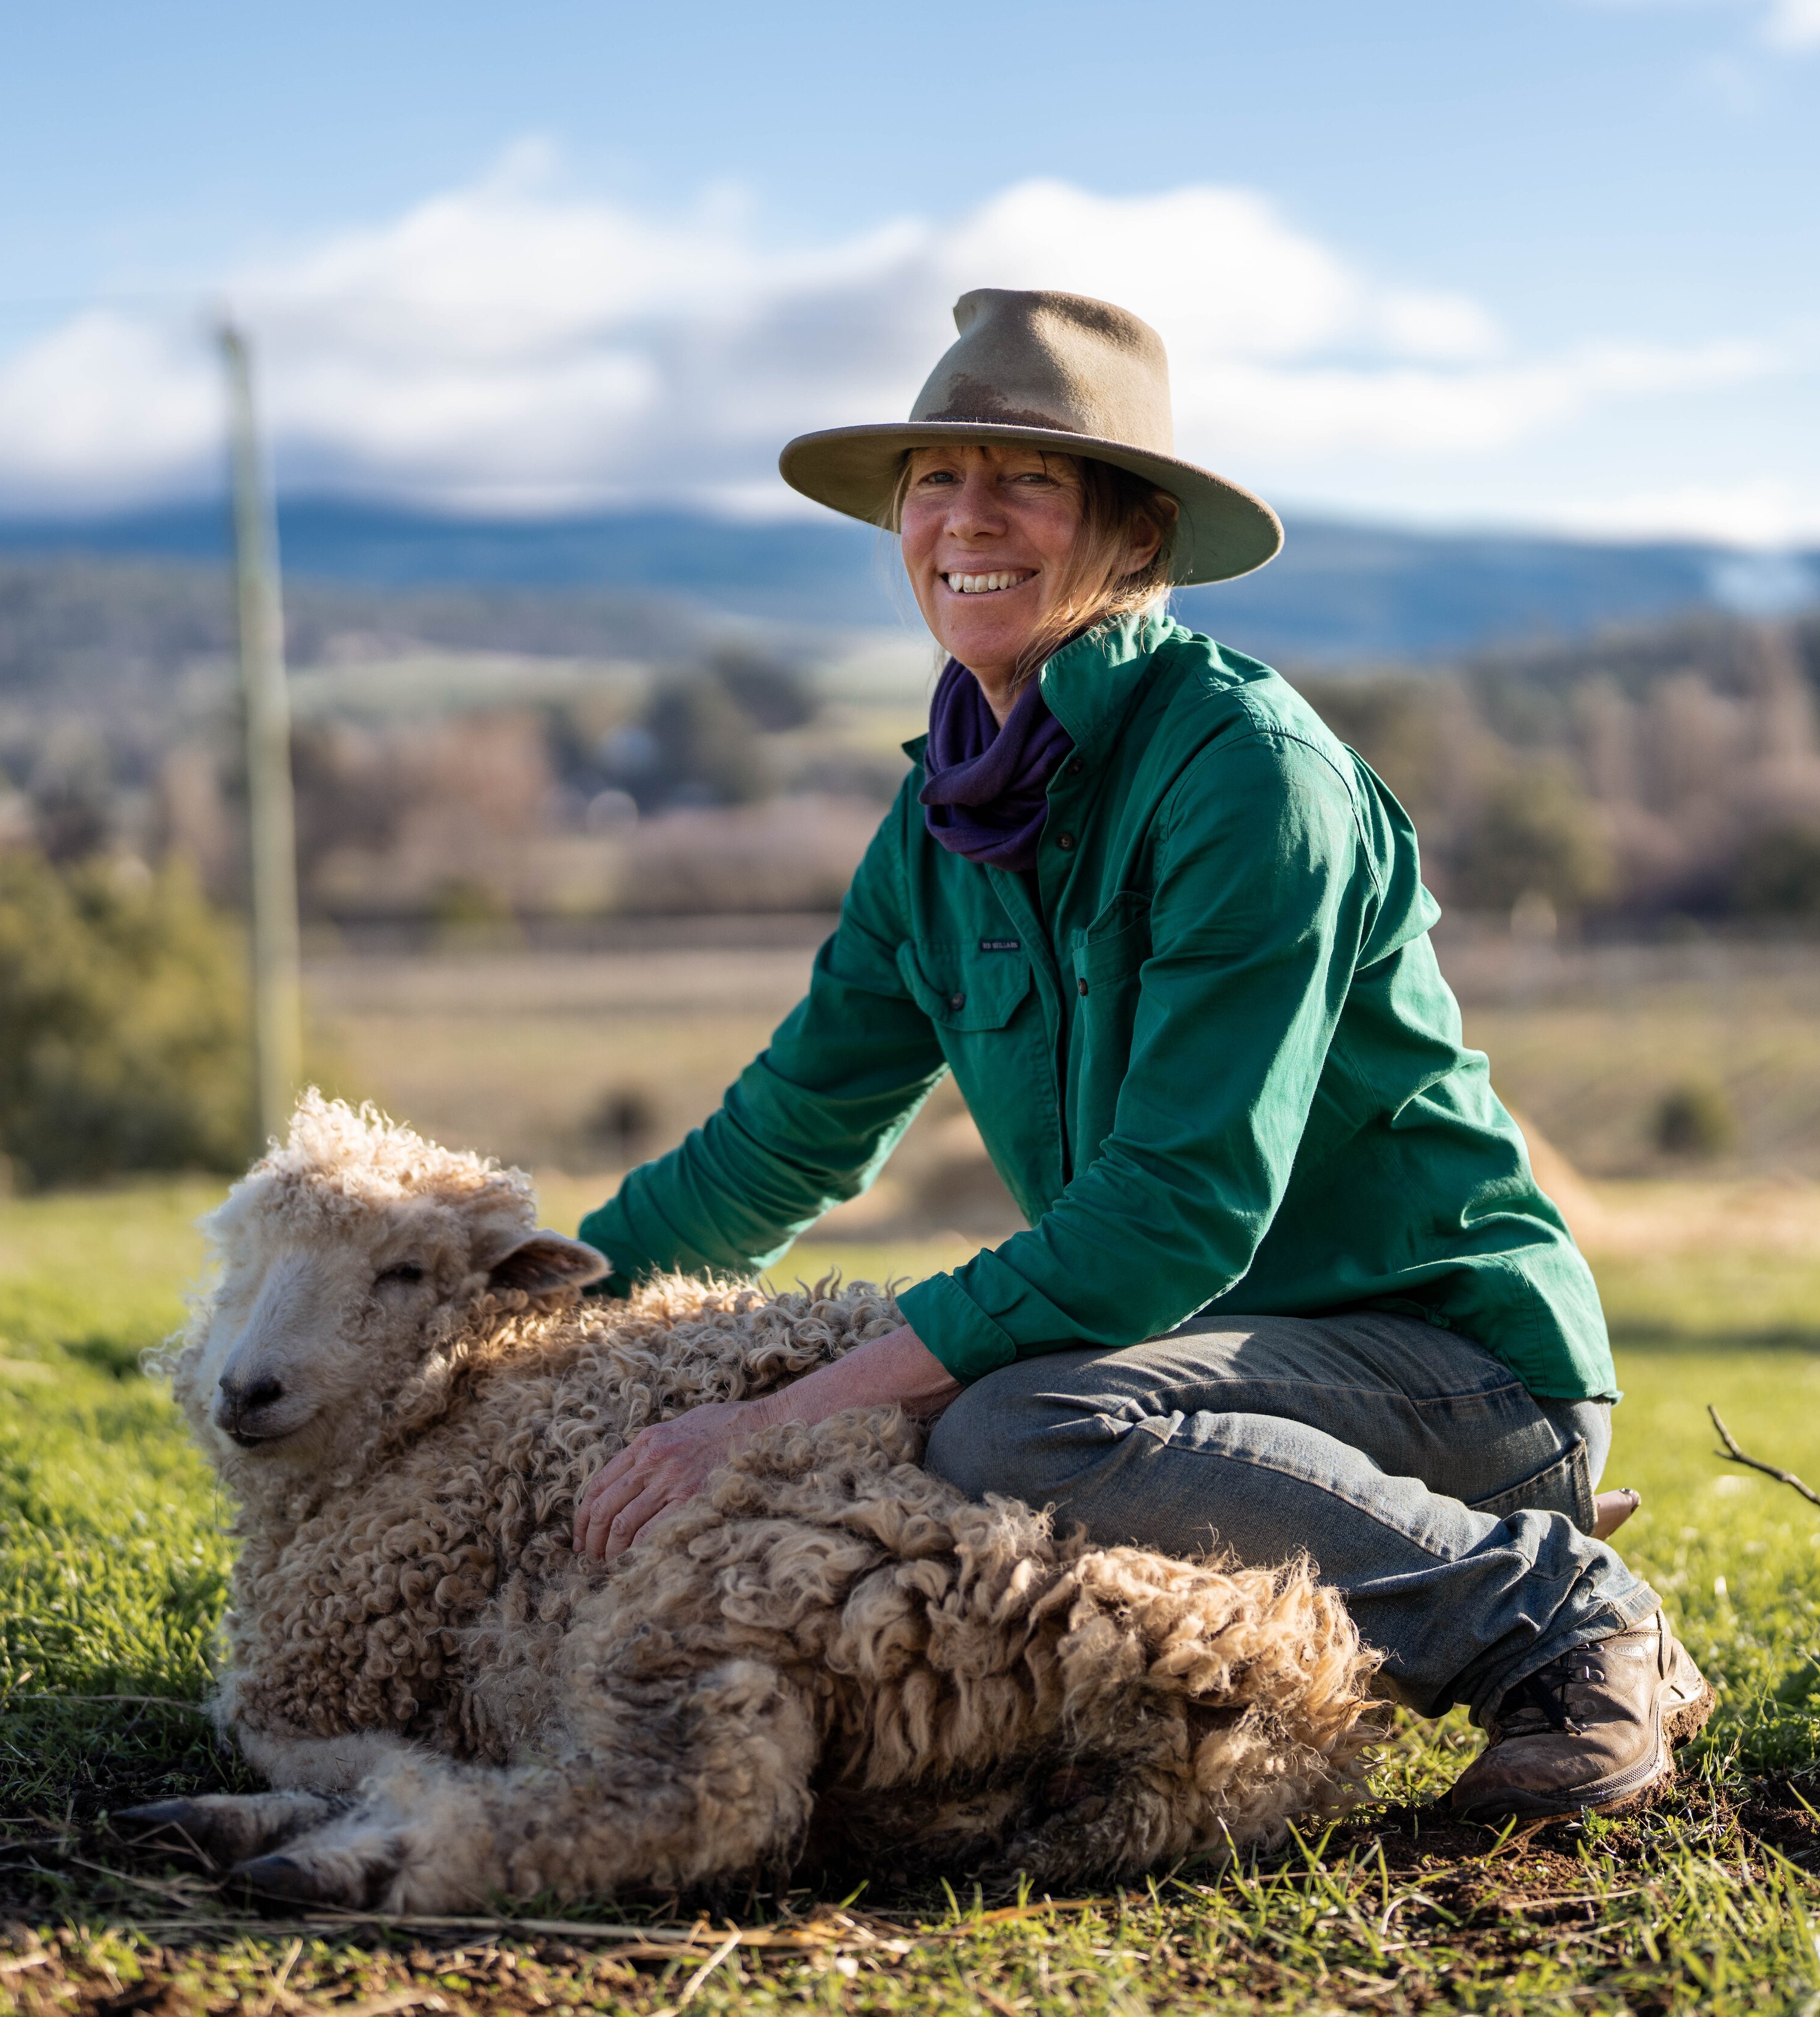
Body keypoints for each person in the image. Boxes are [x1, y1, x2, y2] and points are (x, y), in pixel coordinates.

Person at [569, 288, 1710, 1820]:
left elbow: (1174, 1206)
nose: (965, 519)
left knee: (1010, 1418)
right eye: (932, 481)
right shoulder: (942, 819)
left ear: (1133, 534)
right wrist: (543, 1303)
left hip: (1446, 1367)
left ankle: (1559, 1613)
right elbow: (790, 1129)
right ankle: (1354, 1571)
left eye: (1025, 478)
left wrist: (784, 1409)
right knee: (969, 1422)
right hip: (1208, 1367)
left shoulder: (1248, 773)